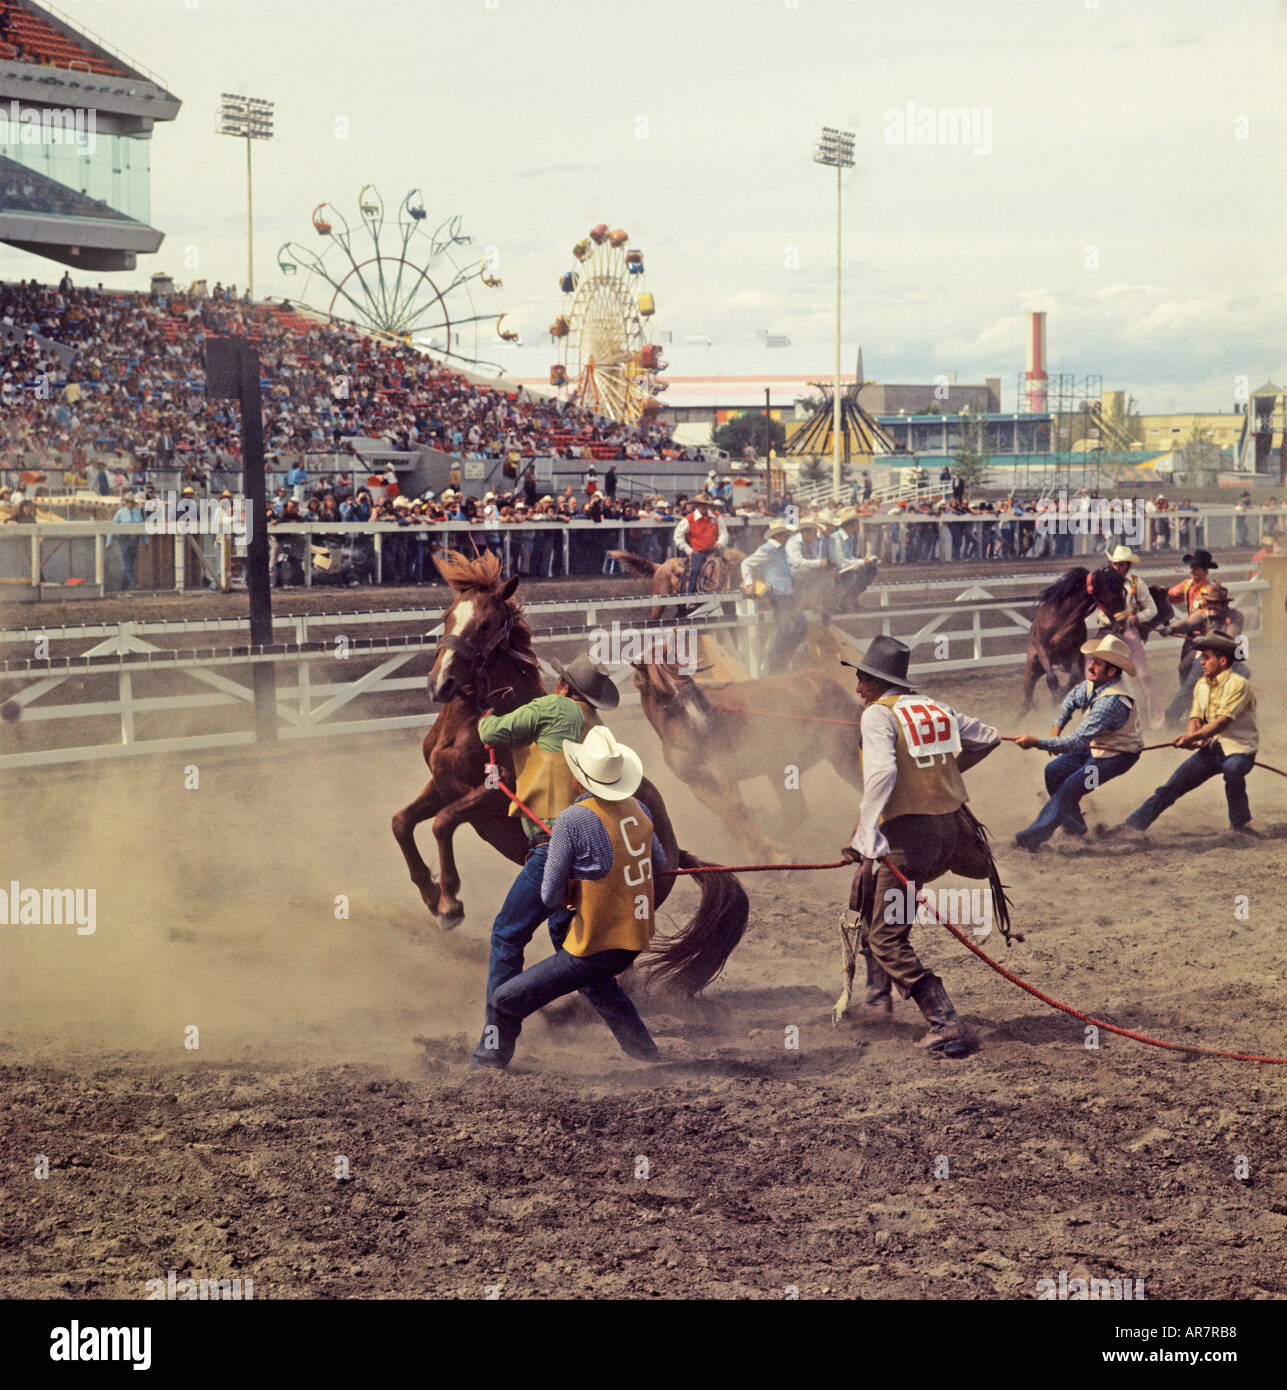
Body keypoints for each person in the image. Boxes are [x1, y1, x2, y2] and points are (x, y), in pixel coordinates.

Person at [837, 636, 1001, 1057]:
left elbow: (881, 776)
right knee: (875, 903)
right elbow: (989, 736)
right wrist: (944, 772)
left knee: (888, 937)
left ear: (874, 680)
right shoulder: (935, 707)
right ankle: (878, 1000)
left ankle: (945, 1022)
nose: (857, 688)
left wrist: (865, 836)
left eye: (860, 678)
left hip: (911, 838)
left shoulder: (876, 716)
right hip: (951, 830)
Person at [484, 725, 665, 1070]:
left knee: (503, 1002)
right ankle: (645, 1054)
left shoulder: (573, 818)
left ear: (579, 780)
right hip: (631, 940)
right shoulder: (640, 809)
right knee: (598, 984)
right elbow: (656, 863)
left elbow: (550, 895)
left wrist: (572, 888)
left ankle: (487, 1064)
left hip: (595, 945)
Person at [470, 655, 619, 1069]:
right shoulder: (596, 729)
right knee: (573, 951)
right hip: (590, 845)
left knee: (507, 934)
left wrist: (485, 711)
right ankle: (639, 1044)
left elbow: (492, 731)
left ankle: (494, 1046)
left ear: (562, 685)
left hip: (550, 844)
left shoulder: (551, 706)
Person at [1112, 634, 1259, 838]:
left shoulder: (1238, 684)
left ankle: (1240, 825)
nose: (1202, 662)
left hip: (1240, 750)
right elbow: (1195, 717)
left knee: (1232, 769)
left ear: (1223, 661)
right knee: (1171, 786)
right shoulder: (1202, 685)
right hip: (1212, 749)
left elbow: (1221, 722)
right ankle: (1132, 825)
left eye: (1206, 657)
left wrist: (1191, 738)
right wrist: (1192, 736)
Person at [1011, 635, 1143, 850]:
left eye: (1097, 663)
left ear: (1111, 672)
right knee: (1053, 770)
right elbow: (1070, 701)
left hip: (1118, 756)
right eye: (1093, 660)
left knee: (1070, 788)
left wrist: (1037, 742)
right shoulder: (1097, 682)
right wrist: (1055, 732)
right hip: (1097, 746)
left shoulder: (1112, 701)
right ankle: (1075, 825)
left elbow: (1076, 741)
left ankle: (1030, 838)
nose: (1091, 665)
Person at [1163, 581, 1246, 725]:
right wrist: (1172, 628)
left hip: (1226, 656)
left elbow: (1229, 638)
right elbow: (1187, 624)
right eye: (1209, 603)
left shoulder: (1235, 617)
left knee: (1242, 676)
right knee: (1183, 668)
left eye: (1216, 604)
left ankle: (1172, 716)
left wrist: (1207, 639)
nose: (1212, 606)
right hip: (1208, 654)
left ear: (1224, 605)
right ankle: (1190, 705)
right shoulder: (1204, 614)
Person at [1098, 543, 1162, 727]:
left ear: (1128, 565)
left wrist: (1136, 618)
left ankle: (1158, 723)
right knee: (1092, 673)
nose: (1119, 567)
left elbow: (1152, 609)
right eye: (1116, 564)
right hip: (1106, 631)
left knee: (1143, 675)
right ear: (1111, 564)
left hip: (1127, 630)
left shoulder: (1135, 582)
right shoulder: (1102, 581)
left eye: (1122, 564)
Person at [741, 521, 806, 672]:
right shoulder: (767, 549)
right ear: (778, 536)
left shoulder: (780, 549)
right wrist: (749, 582)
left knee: (801, 626)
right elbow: (746, 563)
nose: (788, 537)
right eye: (785, 534)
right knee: (785, 629)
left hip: (788, 593)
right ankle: (775, 664)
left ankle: (780, 659)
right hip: (778, 593)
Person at [673, 500, 729, 595]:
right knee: (695, 570)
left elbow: (724, 533)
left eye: (706, 504)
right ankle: (690, 596)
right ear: (697, 505)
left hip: (714, 551)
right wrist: (688, 550)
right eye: (702, 504)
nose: (704, 506)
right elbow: (678, 536)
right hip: (699, 552)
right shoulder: (689, 519)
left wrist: (720, 542)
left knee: (728, 566)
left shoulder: (716, 517)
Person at [106, 491, 145, 591]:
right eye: (128, 502)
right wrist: (108, 541)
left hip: (134, 539)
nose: (130, 504)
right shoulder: (120, 513)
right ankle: (132, 584)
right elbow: (113, 527)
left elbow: (141, 526)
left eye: (132, 502)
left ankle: (124, 585)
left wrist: (145, 540)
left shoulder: (137, 512)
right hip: (124, 539)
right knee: (127, 561)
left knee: (130, 563)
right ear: (125, 503)